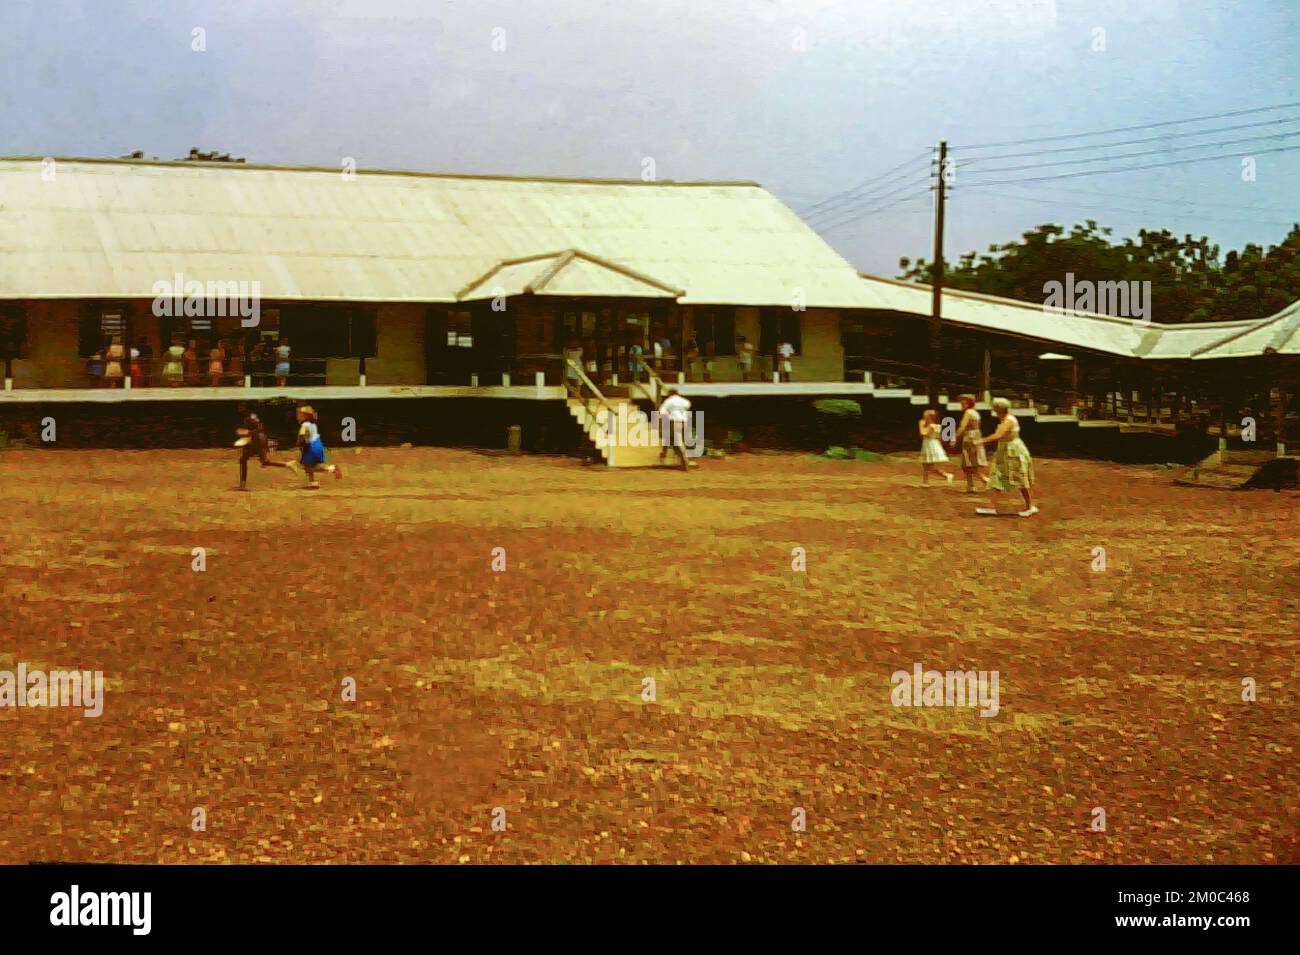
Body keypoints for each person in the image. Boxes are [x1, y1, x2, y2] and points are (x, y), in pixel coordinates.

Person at [973, 397, 1038, 517]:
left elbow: (998, 435)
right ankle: (992, 506)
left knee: (1020, 478)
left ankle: (1030, 506)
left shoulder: (1009, 420)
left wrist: (981, 441)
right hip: (1004, 451)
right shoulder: (1004, 419)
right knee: (997, 476)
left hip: (1013, 451)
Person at [234, 406, 297, 490]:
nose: (239, 408)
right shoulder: (248, 416)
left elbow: (260, 428)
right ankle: (288, 464)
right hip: (258, 440)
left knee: (244, 459)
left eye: (241, 406)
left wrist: (248, 432)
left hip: (259, 440)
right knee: (263, 461)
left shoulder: (252, 416)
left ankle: (243, 484)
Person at [295, 405, 342, 488]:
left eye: (300, 415)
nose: (298, 417)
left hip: (311, 446)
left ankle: (332, 468)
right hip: (318, 444)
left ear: (306, 416)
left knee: (308, 466)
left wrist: (298, 442)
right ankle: (312, 482)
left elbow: (302, 434)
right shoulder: (313, 424)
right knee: (310, 465)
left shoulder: (305, 425)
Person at [952, 394, 990, 493]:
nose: (961, 404)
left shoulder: (968, 412)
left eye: (963, 402)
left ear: (968, 403)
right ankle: (970, 486)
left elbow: (962, 427)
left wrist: (954, 437)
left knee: (970, 463)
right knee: (968, 464)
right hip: (975, 437)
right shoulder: (975, 413)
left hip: (970, 438)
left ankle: (985, 480)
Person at [918, 409, 955, 487]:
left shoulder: (934, 426)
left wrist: (923, 426)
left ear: (930, 417)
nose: (924, 417)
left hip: (931, 445)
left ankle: (946, 475)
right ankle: (925, 482)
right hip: (929, 444)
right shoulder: (933, 425)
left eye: (926, 416)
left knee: (929, 465)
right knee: (925, 464)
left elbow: (923, 433)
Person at [657, 388, 692, 471]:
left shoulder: (669, 401)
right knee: (679, 440)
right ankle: (677, 457)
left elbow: (662, 411)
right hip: (684, 422)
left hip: (674, 421)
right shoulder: (685, 401)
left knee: (673, 439)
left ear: (670, 394)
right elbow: (687, 407)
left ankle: (683, 459)